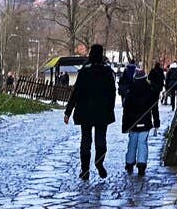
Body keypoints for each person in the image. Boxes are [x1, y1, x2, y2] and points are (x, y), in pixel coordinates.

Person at [64, 44, 116, 180]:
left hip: (85, 111)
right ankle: (99, 163)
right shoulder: (107, 71)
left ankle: (85, 169)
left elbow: (76, 92)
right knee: (101, 139)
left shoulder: (84, 71)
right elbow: (112, 93)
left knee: (85, 141)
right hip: (102, 112)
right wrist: (110, 109)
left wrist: (68, 111)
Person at [121, 65, 156, 175]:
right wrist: (157, 121)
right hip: (145, 121)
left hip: (132, 122)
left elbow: (126, 110)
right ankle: (141, 164)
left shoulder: (130, 91)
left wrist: (125, 125)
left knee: (132, 143)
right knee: (143, 143)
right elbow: (155, 107)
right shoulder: (150, 91)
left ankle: (129, 163)